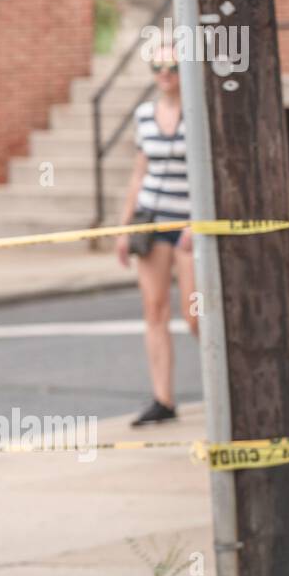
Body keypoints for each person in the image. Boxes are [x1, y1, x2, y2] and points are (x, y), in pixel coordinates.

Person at [116, 47, 198, 426]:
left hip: (188, 224)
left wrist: (197, 222)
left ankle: (222, 384)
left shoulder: (196, 112)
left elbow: (207, 173)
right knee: (154, 311)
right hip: (151, 220)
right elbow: (139, 172)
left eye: (173, 67)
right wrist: (125, 226)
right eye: (158, 67)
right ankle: (162, 399)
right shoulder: (144, 115)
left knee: (195, 314)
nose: (165, 73)